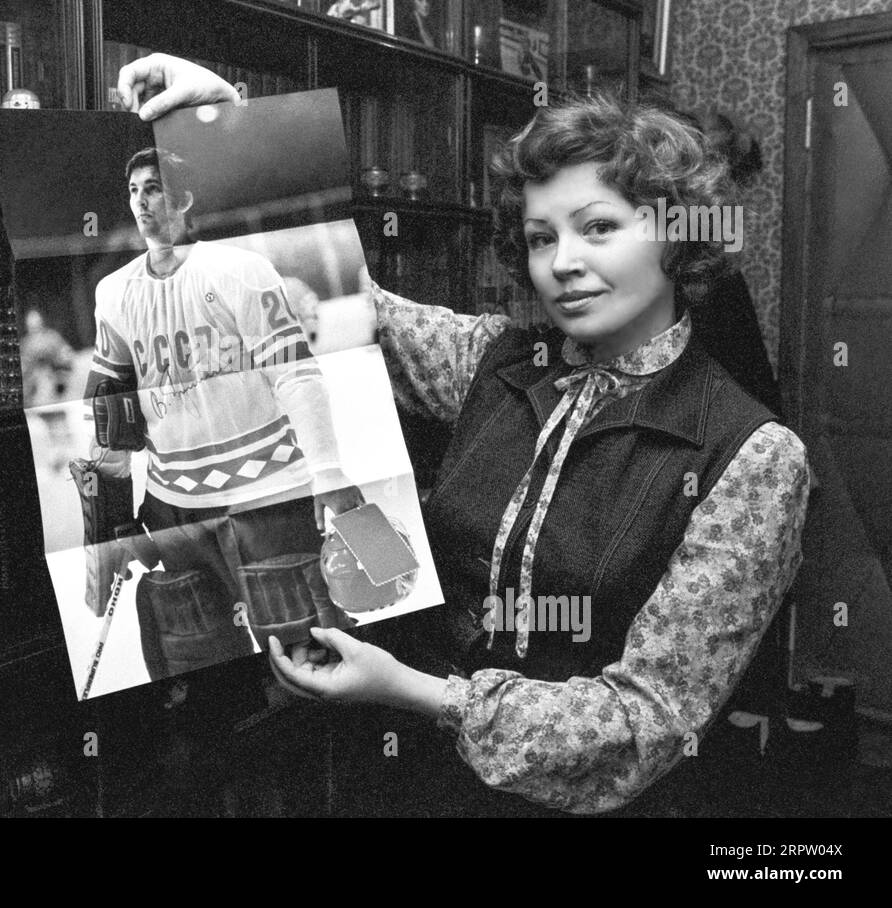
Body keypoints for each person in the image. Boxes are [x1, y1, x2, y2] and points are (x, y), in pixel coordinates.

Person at [112, 54, 810, 815]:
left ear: (676, 237)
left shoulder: (755, 459)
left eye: (599, 228)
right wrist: (227, 128)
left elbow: (645, 722)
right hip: (414, 783)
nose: (564, 264)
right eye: (542, 238)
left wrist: (417, 692)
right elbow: (336, 299)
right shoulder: (497, 359)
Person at [84, 146, 364, 683]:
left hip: (266, 500)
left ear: (185, 199)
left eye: (154, 188)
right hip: (172, 511)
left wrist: (328, 473)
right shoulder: (113, 292)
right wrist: (110, 526)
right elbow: (109, 415)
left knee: (306, 664)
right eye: (133, 191)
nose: (141, 202)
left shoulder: (242, 270)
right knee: (202, 667)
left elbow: (295, 373)